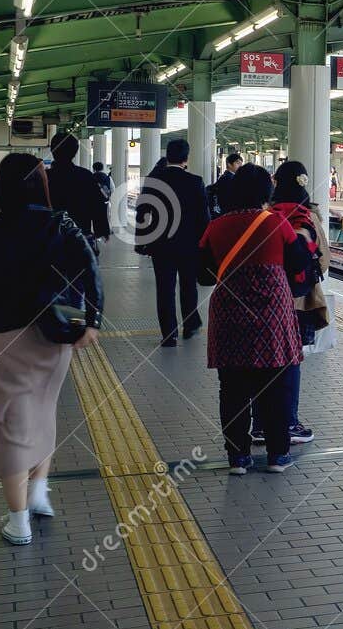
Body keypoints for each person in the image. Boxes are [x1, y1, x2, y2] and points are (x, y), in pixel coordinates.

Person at [0, 153, 102, 545]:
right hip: (55, 336)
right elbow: (91, 271)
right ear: (42, 184)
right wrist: (92, 322)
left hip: (2, 338)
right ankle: (38, 493)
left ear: (0, 186)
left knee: (7, 427)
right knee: (41, 414)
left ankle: (18, 520)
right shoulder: (62, 224)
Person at [197, 164, 303, 474]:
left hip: (229, 313)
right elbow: (299, 264)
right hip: (272, 314)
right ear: (266, 191)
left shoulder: (215, 226)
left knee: (232, 389)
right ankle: (277, 455)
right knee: (276, 386)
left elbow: (203, 275)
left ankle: (238, 457)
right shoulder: (277, 223)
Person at [263, 159, 321, 445]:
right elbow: (321, 258)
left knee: (264, 360)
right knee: (291, 360)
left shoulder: (266, 214)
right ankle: (289, 423)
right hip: (297, 299)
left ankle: (259, 426)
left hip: (264, 296)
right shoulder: (307, 215)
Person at [135, 136, 209, 347]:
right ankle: (190, 324)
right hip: (189, 245)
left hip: (161, 244)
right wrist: (204, 242)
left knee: (165, 288)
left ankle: (169, 334)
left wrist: (141, 242)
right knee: (188, 285)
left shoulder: (154, 180)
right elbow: (203, 217)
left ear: (167, 156)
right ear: (186, 158)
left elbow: (142, 212)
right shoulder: (195, 181)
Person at [45, 131, 109, 248]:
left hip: (49, 236)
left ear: (52, 150)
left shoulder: (45, 177)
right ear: (75, 152)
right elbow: (97, 204)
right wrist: (102, 230)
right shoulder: (85, 175)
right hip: (80, 234)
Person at [208, 150, 244, 218]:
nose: (240, 166)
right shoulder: (228, 179)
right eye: (237, 163)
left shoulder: (226, 177)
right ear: (229, 164)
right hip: (228, 213)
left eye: (241, 164)